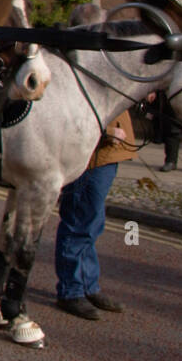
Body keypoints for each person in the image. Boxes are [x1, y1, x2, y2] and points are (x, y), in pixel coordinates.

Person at [54, 109, 130, 319]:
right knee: (79, 220)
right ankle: (71, 290)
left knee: (92, 223)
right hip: (91, 150)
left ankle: (87, 285)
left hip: (108, 150)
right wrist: (104, 131)